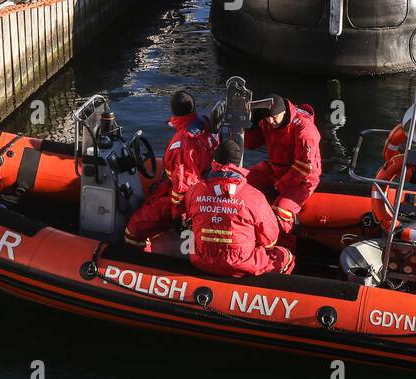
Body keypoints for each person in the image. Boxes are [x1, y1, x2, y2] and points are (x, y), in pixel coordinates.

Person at [182, 141, 294, 278]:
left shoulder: (195, 191)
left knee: (189, 236)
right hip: (241, 264)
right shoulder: (254, 196)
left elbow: (189, 218)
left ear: (214, 161)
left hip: (200, 260)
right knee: (286, 256)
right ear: (237, 164)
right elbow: (270, 239)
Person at [123, 90, 218, 249]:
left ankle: (137, 258)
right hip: (199, 188)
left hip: (184, 199)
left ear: (174, 111)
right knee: (151, 200)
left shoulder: (181, 145)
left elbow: (182, 187)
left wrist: (178, 217)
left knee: (134, 229)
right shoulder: (204, 124)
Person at [244, 95, 322, 235]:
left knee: (280, 210)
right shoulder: (266, 123)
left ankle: (286, 244)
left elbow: (303, 167)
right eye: (267, 117)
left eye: (274, 117)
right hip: (275, 168)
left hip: (303, 178)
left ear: (283, 112)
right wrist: (253, 125)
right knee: (241, 182)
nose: (271, 121)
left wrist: (279, 186)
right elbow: (250, 144)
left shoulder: (304, 129)